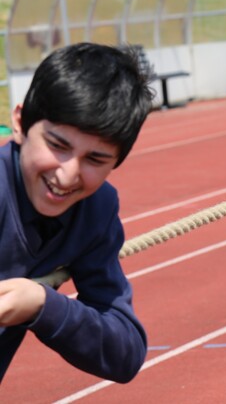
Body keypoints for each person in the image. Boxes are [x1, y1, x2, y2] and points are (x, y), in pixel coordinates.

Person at [0, 42, 153, 383]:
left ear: (117, 163)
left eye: (95, 159)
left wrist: (43, 306)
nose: (67, 175)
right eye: (57, 145)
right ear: (20, 123)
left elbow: (124, 353)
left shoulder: (94, 211)